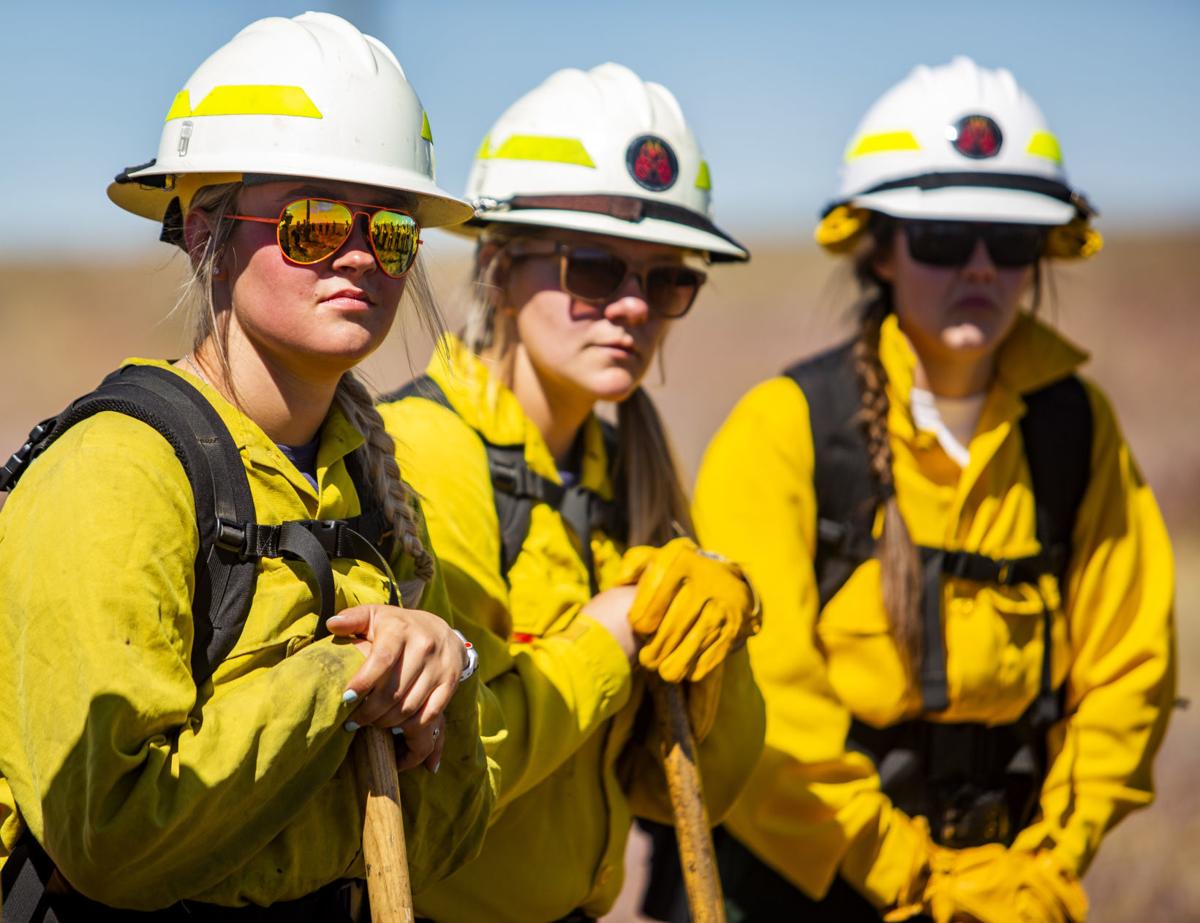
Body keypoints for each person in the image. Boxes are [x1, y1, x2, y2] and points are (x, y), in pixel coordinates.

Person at [0, 13, 495, 920]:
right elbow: (110, 838)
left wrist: (448, 671)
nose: (357, 254)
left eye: (390, 231)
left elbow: (449, 837)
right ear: (203, 236)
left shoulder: (377, 496)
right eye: (310, 222)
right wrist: (345, 681)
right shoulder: (114, 473)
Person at [693, 56, 1177, 922]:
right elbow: (769, 707)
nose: (983, 267)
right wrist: (915, 877)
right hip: (813, 888)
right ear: (877, 248)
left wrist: (1048, 866)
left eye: (1013, 240)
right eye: (945, 239)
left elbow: (1131, 667)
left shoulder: (1079, 429)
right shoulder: (784, 426)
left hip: (1022, 879)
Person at [376, 63, 766, 922]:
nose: (633, 306)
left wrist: (722, 643)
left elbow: (687, 794)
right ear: (499, 269)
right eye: (594, 268)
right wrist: (612, 632)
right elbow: (452, 758)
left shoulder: (630, 471)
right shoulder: (424, 455)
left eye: (669, 278)